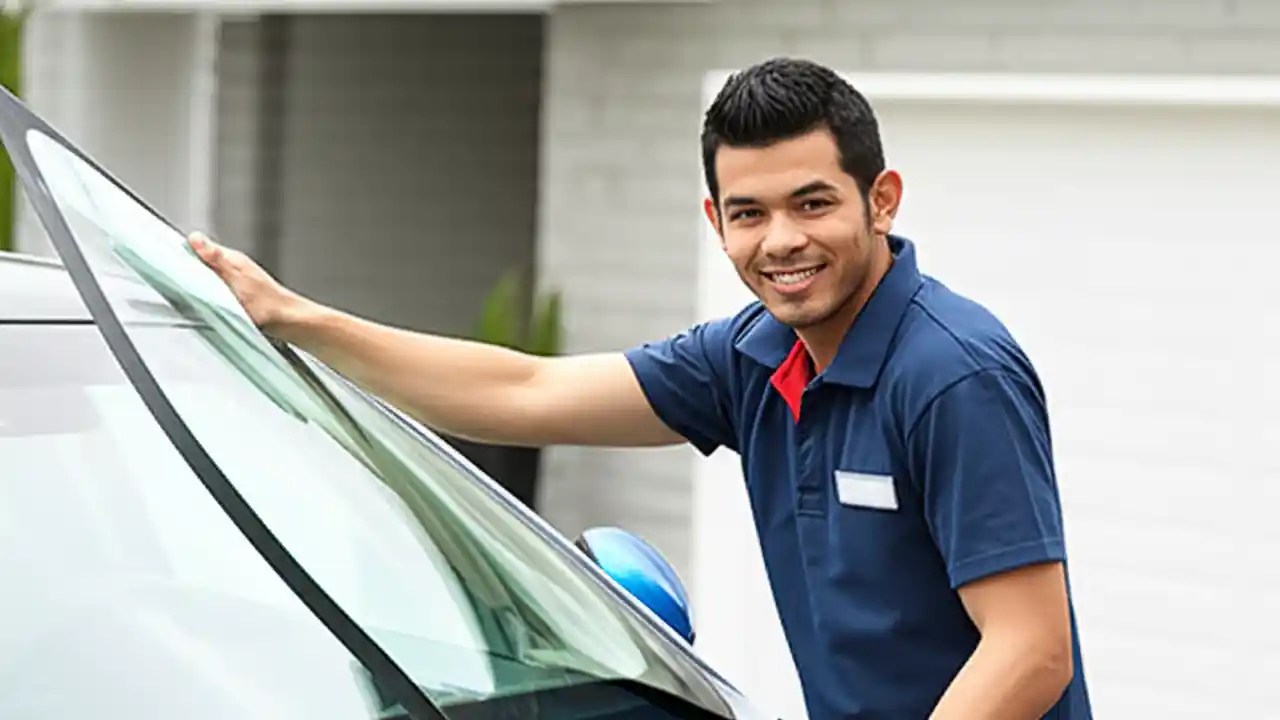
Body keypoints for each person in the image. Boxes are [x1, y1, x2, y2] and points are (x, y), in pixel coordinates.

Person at [189, 56, 1092, 719]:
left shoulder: (950, 373)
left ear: (881, 199)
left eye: (811, 203)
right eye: (750, 214)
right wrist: (296, 319)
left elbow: (1029, 648)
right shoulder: (749, 360)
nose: (781, 240)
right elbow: (526, 389)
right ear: (716, 221)